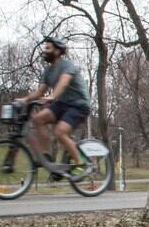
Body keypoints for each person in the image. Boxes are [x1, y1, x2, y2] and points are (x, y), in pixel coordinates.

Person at [16, 36, 92, 178]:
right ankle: (47, 157)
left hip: (78, 104)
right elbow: (40, 92)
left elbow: (63, 83)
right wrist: (24, 100)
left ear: (57, 51)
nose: (45, 51)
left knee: (60, 132)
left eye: (48, 48)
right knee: (38, 119)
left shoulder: (67, 66)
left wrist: (52, 96)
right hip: (62, 104)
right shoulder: (48, 71)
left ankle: (80, 164)